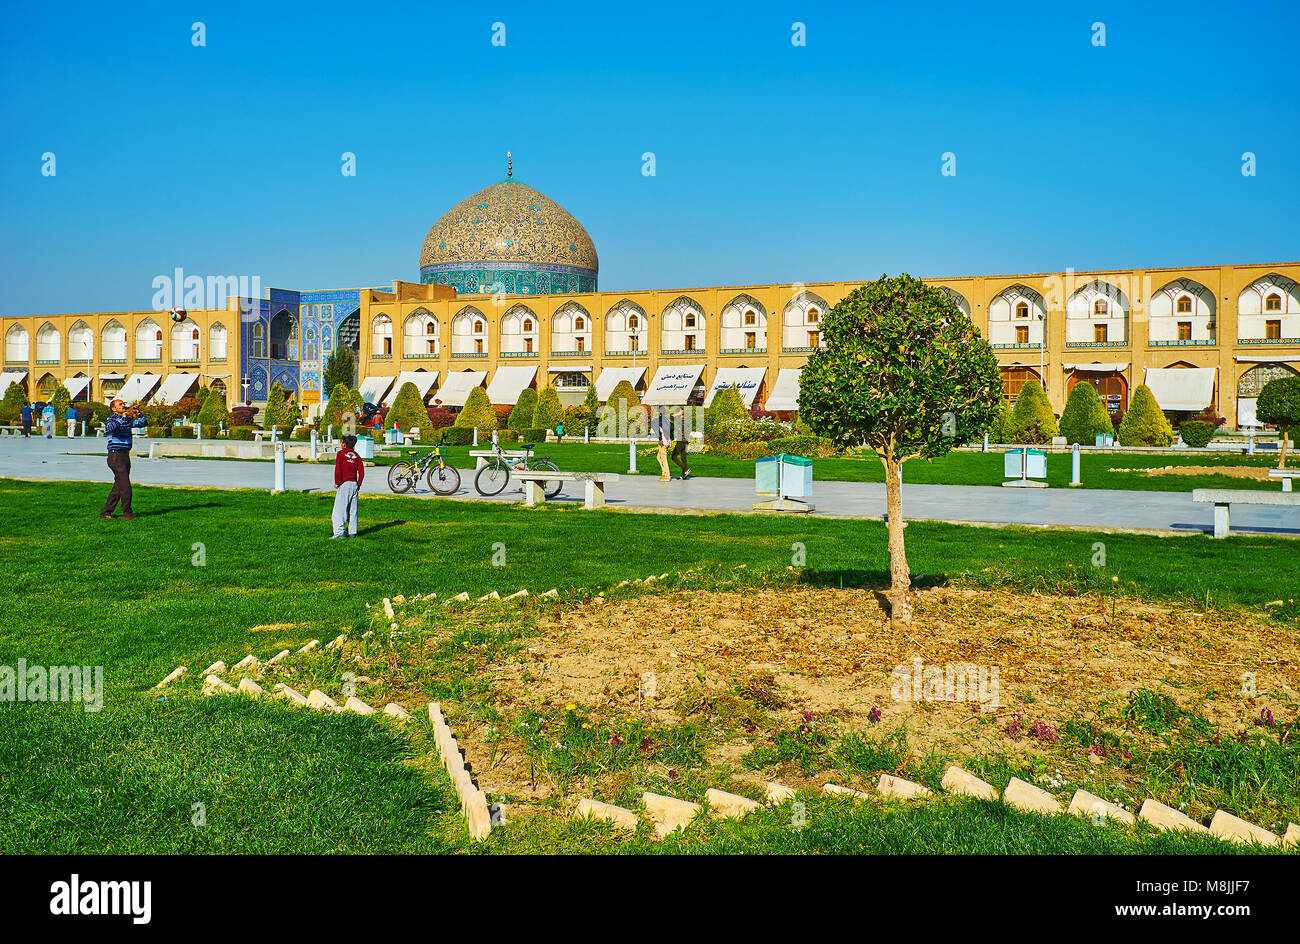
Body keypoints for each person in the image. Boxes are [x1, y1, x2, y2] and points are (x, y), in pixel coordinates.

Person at [100, 399, 148, 519]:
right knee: (125, 485)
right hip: (115, 456)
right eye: (120, 404)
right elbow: (110, 428)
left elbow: (143, 423)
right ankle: (127, 512)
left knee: (119, 485)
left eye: (123, 404)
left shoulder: (128, 420)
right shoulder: (111, 419)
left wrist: (138, 413)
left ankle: (106, 512)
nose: (123, 406)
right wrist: (122, 418)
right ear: (114, 409)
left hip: (125, 456)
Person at [331, 434, 364, 539]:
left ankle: (339, 532)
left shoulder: (340, 454)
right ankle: (352, 531)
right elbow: (362, 472)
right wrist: (358, 484)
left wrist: (337, 482)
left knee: (339, 510)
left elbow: (338, 470)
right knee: (353, 510)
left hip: (344, 484)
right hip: (354, 484)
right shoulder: (357, 456)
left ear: (344, 444)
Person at [669, 406, 692, 480]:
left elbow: (670, 417)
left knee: (673, 457)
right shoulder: (686, 420)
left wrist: (677, 414)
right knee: (683, 458)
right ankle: (684, 475)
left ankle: (685, 469)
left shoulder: (680, 420)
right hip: (685, 441)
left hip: (681, 441)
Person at [653, 406, 672, 481]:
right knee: (659, 457)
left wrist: (660, 439)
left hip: (662, 442)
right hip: (667, 441)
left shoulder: (658, 420)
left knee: (664, 458)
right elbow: (672, 427)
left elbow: (658, 431)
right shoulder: (667, 420)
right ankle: (664, 473)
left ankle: (667, 476)